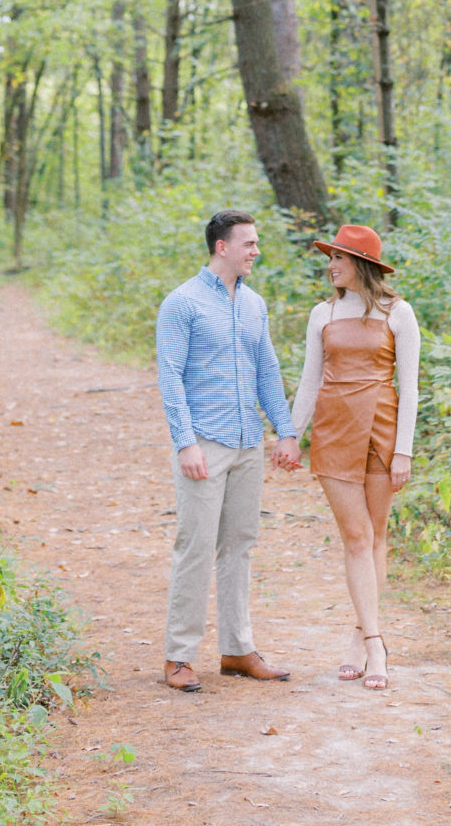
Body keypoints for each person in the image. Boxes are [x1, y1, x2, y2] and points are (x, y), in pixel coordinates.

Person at [155, 208, 300, 693]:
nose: (256, 251)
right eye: (250, 243)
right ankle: (178, 656)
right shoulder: (183, 303)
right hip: (205, 444)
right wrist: (185, 442)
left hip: (246, 443)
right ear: (223, 247)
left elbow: (267, 371)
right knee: (195, 547)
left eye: (256, 244)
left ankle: (237, 649)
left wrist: (285, 430)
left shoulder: (255, 305)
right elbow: (170, 377)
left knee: (239, 546)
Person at [290, 223, 421, 692]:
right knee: (356, 535)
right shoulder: (321, 314)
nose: (330, 266)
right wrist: (290, 435)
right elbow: (309, 381)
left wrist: (403, 449)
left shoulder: (398, 312)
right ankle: (377, 643)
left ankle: (360, 641)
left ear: (360, 264)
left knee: (377, 535)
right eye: (330, 258)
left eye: (338, 259)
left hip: (383, 430)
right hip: (334, 427)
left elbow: (411, 388)